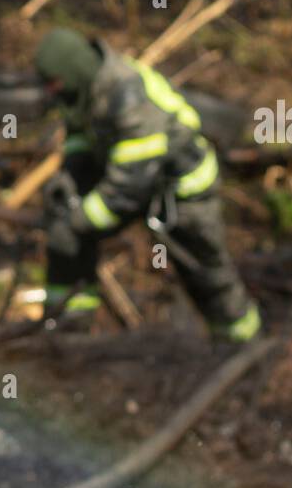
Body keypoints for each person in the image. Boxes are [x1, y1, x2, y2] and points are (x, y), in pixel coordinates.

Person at [34, 28, 260, 341]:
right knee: (64, 233)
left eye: (54, 83)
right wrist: (69, 177)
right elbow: (78, 136)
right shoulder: (83, 89)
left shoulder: (128, 94)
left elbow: (131, 181)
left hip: (181, 189)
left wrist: (83, 217)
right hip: (134, 184)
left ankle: (239, 341)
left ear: (72, 69)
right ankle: (65, 329)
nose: (52, 92)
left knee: (206, 273)